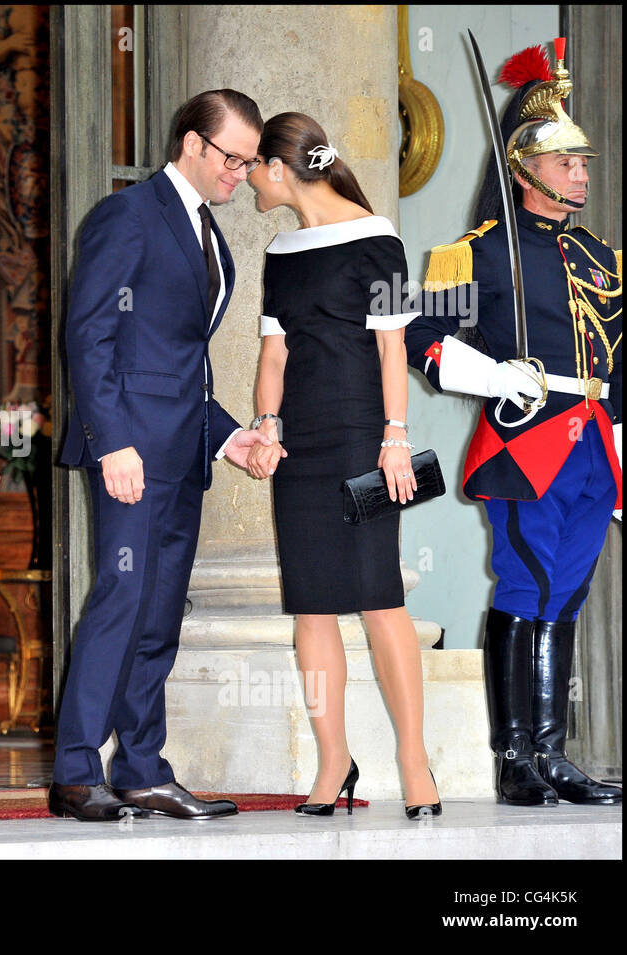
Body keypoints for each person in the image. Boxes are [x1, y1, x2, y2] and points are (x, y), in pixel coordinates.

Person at [404, 39, 621, 807]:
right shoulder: (476, 256)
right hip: (526, 442)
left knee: (567, 591)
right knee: (526, 583)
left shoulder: (602, 258)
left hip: (596, 444)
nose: (582, 176)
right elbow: (422, 341)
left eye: (584, 164)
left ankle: (554, 753)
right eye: (568, 164)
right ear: (526, 166)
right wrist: (493, 374)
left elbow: (617, 360)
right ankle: (514, 756)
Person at [51, 90, 275, 822]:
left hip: (182, 453)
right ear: (191, 144)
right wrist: (111, 439)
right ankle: (77, 770)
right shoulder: (129, 215)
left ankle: (143, 768)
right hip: (130, 452)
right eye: (232, 158)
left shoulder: (206, 231)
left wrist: (230, 433)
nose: (241, 174)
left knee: (159, 616)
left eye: (248, 162)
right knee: (120, 602)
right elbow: (89, 335)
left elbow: (179, 363)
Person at [244, 112, 441, 819]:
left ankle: (414, 759)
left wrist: (396, 436)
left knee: (380, 594)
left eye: (253, 170)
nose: (247, 182)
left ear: (278, 167)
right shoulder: (280, 251)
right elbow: (274, 355)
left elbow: (394, 347)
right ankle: (334, 758)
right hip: (300, 444)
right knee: (311, 606)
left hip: (364, 437)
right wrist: (266, 426)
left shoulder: (378, 236)